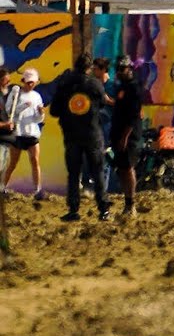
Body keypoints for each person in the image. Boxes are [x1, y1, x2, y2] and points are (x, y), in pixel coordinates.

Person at [49, 54, 111, 221]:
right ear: (89, 68)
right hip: (92, 133)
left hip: (71, 135)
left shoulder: (64, 84)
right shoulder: (95, 84)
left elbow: (54, 111)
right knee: (97, 171)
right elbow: (102, 104)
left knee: (73, 173)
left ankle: (73, 210)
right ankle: (103, 209)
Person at [2, 69, 46, 199]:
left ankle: (37, 190)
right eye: (28, 82)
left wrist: (41, 113)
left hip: (32, 133)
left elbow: (38, 119)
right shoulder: (16, 93)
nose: (30, 85)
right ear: (24, 81)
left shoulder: (37, 96)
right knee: (13, 162)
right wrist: (22, 107)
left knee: (35, 160)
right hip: (18, 133)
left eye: (33, 82)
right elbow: (10, 113)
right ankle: (3, 187)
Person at [110, 57, 145, 218]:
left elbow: (134, 115)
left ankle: (131, 205)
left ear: (129, 69)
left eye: (122, 69)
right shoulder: (120, 87)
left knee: (128, 167)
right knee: (122, 168)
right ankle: (127, 202)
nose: (118, 72)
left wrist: (125, 137)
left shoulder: (134, 88)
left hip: (129, 136)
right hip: (118, 133)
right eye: (117, 69)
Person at [89, 58, 115, 193]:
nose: (94, 71)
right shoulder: (94, 85)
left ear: (103, 70)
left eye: (96, 69)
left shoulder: (112, 85)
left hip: (108, 126)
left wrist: (108, 100)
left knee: (104, 157)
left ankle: (102, 191)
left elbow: (121, 104)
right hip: (95, 126)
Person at [0, 69, 15, 179]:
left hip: (6, 138)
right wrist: (5, 125)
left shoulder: (8, 96)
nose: (9, 83)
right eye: (7, 80)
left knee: (3, 167)